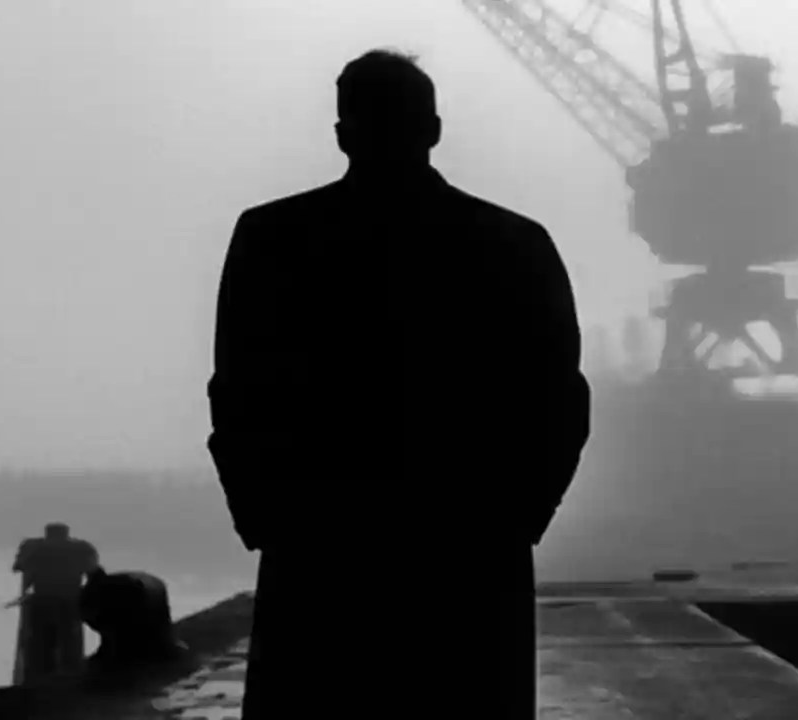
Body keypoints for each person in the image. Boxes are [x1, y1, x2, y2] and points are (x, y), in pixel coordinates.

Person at [207, 49, 590, 718]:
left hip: (320, 554)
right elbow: (560, 404)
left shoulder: (272, 238)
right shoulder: (515, 244)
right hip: (469, 556)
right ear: (435, 128)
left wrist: (267, 519)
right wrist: (518, 522)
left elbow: (237, 395)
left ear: (342, 133)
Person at [10, 523, 98, 682]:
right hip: (68, 604)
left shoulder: (33, 547)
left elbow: (21, 568)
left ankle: (38, 681)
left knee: (40, 649)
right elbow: (93, 572)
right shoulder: (81, 548)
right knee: (68, 648)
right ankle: (66, 680)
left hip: (44, 604)